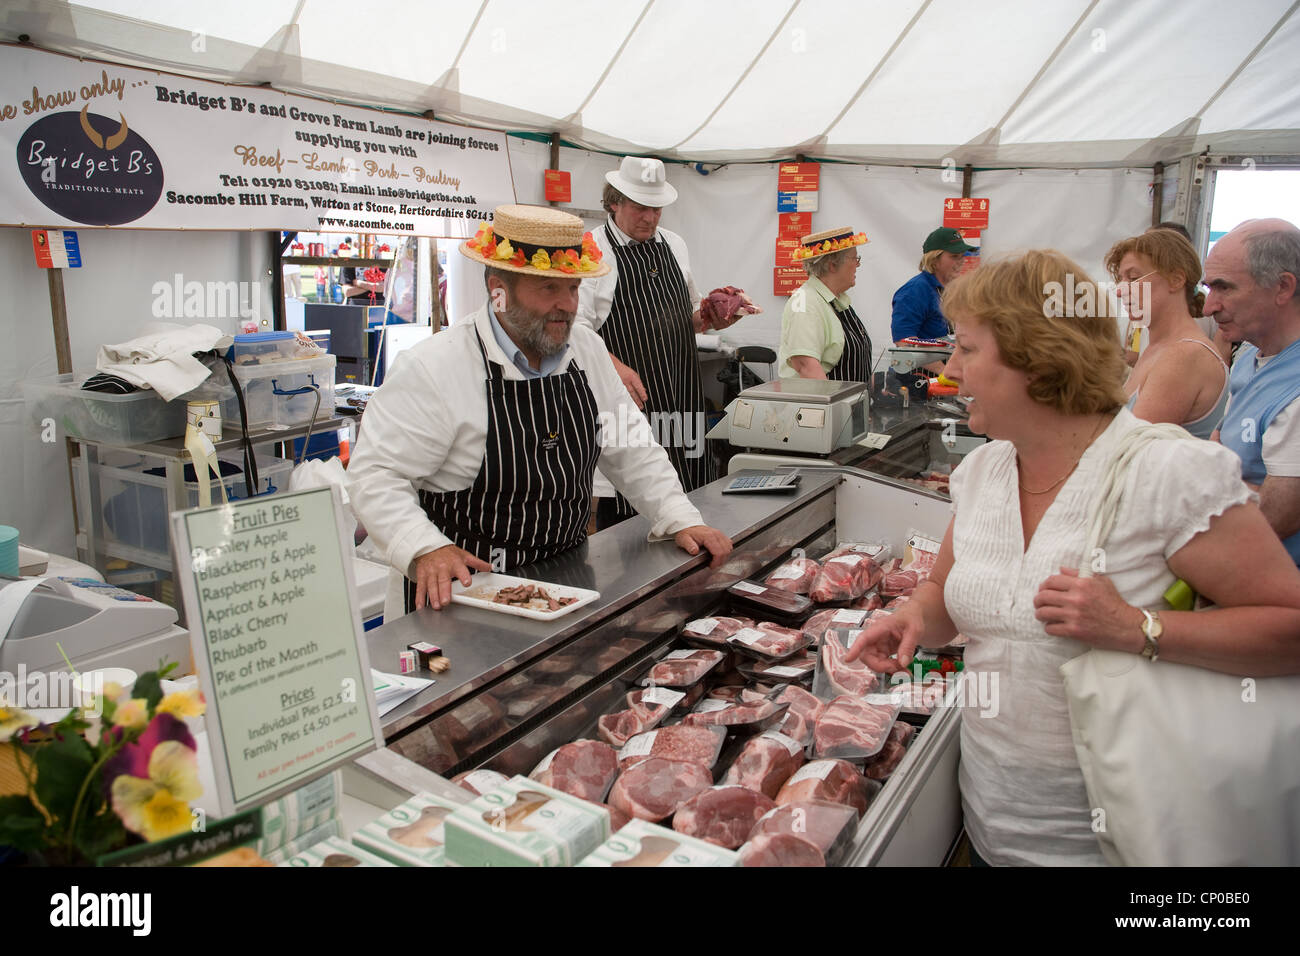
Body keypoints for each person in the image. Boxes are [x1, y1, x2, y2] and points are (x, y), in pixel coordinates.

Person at [847, 250, 1300, 866]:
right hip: (991, 828)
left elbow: (1289, 630)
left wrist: (1138, 627)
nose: (949, 370)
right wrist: (914, 620)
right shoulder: (984, 471)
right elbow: (943, 596)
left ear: (1036, 358)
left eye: (966, 349)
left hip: (1130, 842)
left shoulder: (1165, 471)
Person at [347, 204, 732, 616]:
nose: (567, 305)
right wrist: (424, 548)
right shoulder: (435, 366)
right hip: (460, 594)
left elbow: (631, 446)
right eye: (549, 288)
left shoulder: (586, 349)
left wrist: (678, 515)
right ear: (499, 290)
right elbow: (376, 475)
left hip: (563, 585)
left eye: (573, 289)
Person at [577, 157, 746, 529]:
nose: (651, 218)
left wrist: (713, 315)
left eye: (657, 208)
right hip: (629, 406)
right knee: (631, 504)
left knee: (689, 495)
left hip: (682, 396)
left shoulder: (674, 245)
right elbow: (576, 331)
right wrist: (614, 367)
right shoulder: (590, 251)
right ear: (614, 202)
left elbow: (687, 317)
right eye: (640, 207)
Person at [1205, 218, 1300, 565]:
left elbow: (1273, 518)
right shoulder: (1249, 358)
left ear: (1283, 287)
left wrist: (1213, 484)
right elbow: (1214, 452)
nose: (1209, 306)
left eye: (1224, 288)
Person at [1104, 229, 1229, 439]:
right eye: (1120, 280)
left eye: (1133, 278)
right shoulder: (1159, 347)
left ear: (1176, 280)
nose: (1120, 290)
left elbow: (1127, 445)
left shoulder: (1185, 354)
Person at [777, 227, 871, 380]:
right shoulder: (805, 303)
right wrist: (837, 403)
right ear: (832, 265)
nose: (858, 265)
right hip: (822, 402)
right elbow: (805, 366)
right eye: (854, 259)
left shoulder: (837, 301)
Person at [891, 226, 974, 343]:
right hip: (932, 361)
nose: (961, 261)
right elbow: (904, 341)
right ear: (934, 259)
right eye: (954, 256)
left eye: (962, 255)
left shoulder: (953, 289)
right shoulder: (915, 290)